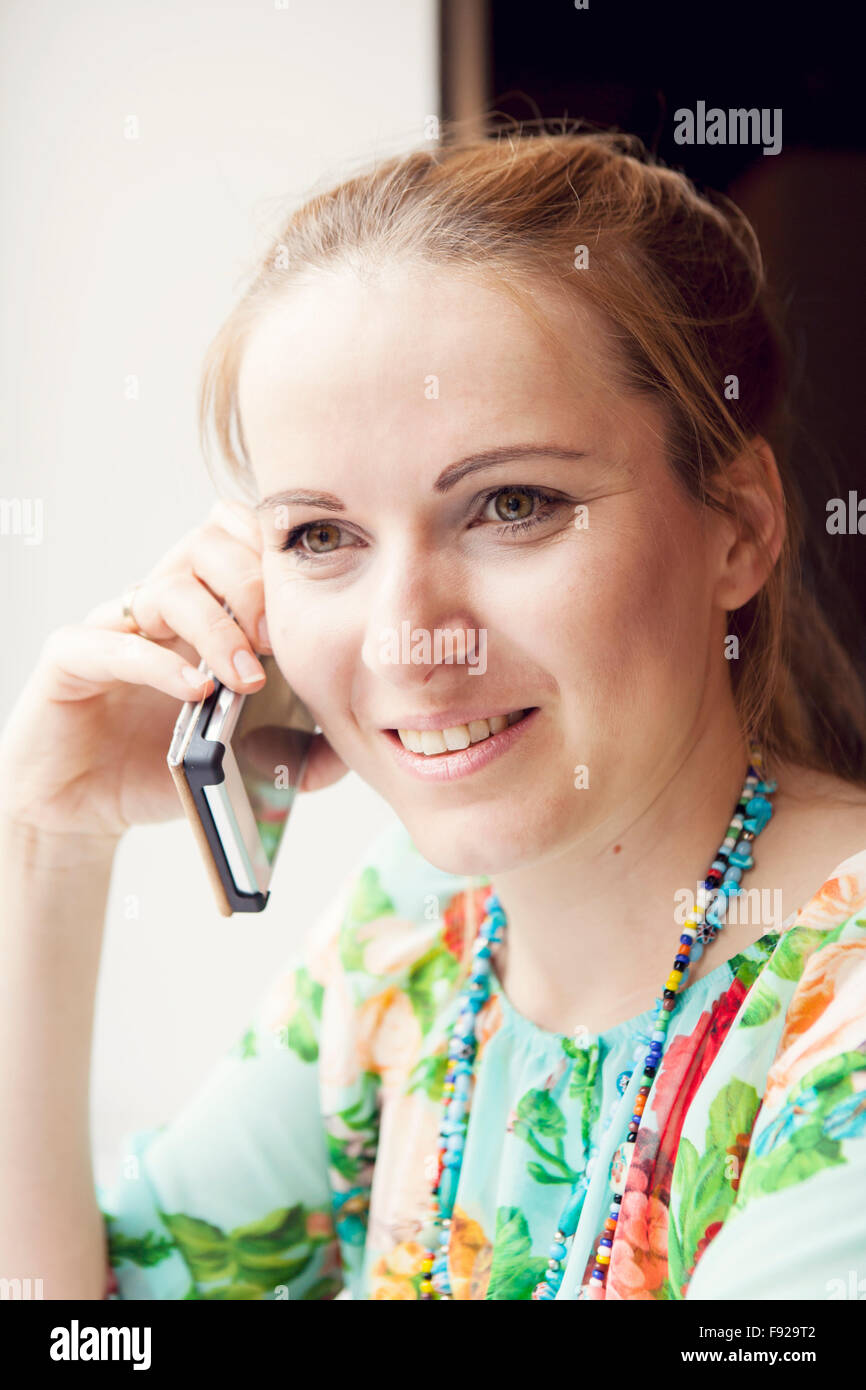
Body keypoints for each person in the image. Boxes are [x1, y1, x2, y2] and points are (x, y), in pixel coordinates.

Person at [2, 124, 866, 1302]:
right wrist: (48, 843)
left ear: (738, 526)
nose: (409, 635)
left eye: (511, 502)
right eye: (319, 536)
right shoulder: (410, 943)